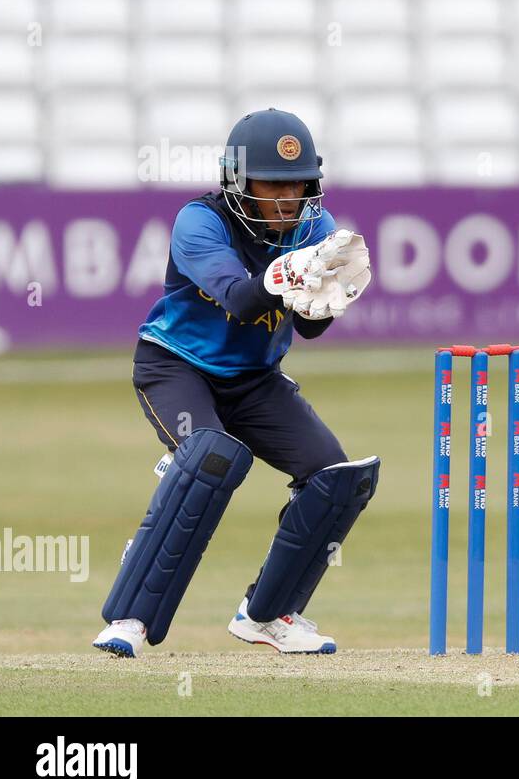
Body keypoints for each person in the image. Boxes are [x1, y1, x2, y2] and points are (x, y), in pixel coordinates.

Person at [92, 108, 377, 658]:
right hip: (176, 366)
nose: (286, 198)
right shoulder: (198, 223)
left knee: (335, 477)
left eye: (298, 184)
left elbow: (311, 327)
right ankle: (131, 618)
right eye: (272, 183)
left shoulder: (315, 230)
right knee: (209, 460)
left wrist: (329, 297)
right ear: (238, 182)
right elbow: (242, 300)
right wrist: (287, 273)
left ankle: (269, 614)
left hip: (254, 379)